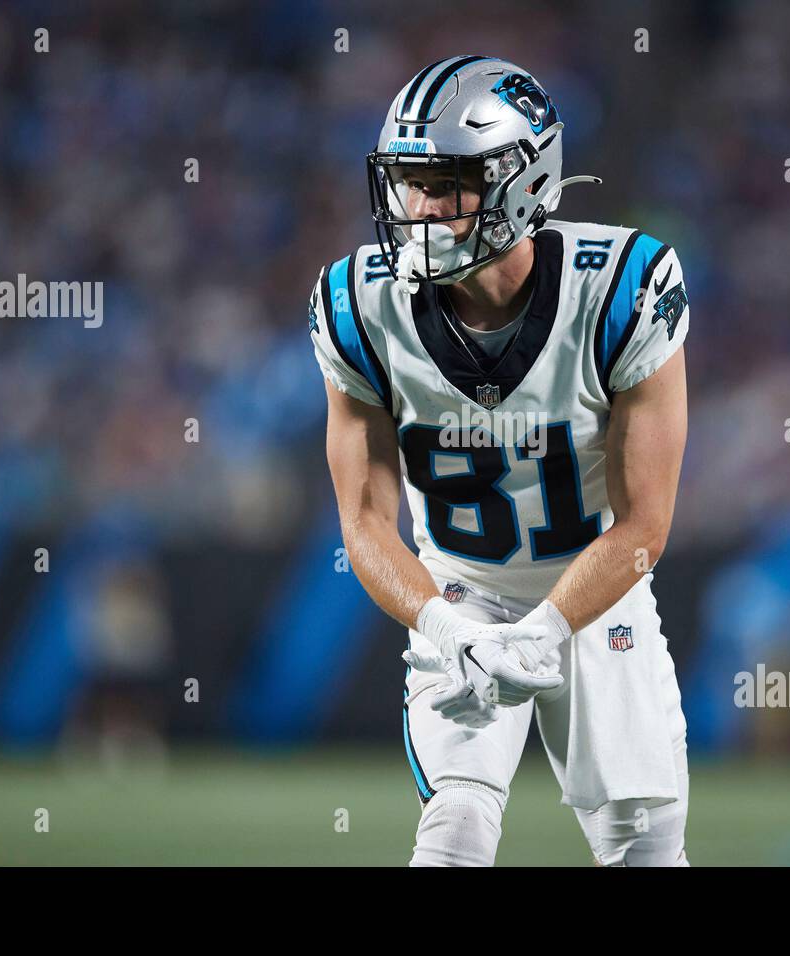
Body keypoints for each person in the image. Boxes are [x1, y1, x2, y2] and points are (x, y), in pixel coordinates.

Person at [309, 55, 691, 866]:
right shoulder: (358, 304)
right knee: (454, 831)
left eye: (448, 184)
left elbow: (645, 526)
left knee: (643, 850)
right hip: (463, 598)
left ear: (523, 182)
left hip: (595, 594)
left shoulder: (622, 287)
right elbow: (367, 522)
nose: (421, 208)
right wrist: (449, 629)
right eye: (410, 182)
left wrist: (548, 627)